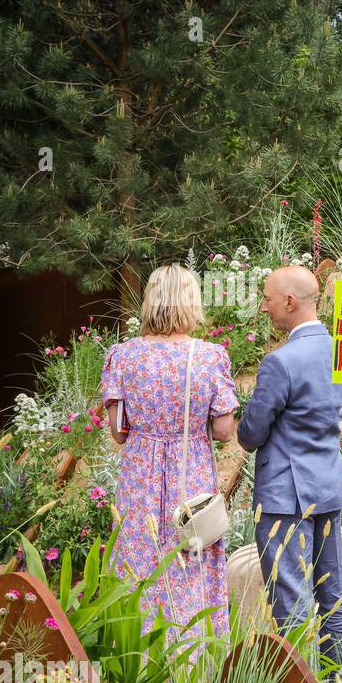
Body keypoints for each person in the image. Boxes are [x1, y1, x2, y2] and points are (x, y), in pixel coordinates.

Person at [101, 264, 238, 638]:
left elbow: (118, 433)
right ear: (191, 303)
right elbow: (225, 431)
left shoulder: (123, 356)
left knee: (138, 560)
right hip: (190, 472)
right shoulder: (209, 356)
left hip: (139, 476)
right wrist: (194, 423)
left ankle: (136, 654)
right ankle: (194, 657)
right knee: (190, 557)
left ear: (149, 302)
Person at [237, 265, 342, 667]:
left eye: (268, 299)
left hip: (285, 497)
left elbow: (251, 433)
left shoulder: (281, 362)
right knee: (334, 595)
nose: (264, 307)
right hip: (326, 487)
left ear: (290, 302)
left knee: (291, 602)